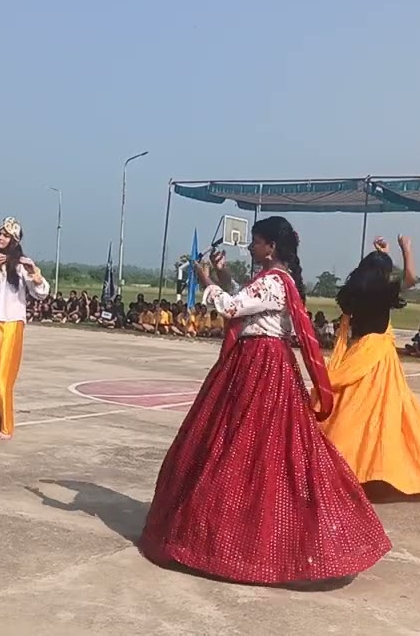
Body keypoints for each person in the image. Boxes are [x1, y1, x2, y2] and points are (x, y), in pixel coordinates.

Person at [140, 216, 390, 585]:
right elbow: (243, 300)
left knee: (244, 446)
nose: (251, 247)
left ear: (270, 246)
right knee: (249, 444)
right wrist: (223, 278)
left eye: (255, 242)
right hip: (258, 363)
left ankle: (234, 538)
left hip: (261, 366)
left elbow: (230, 308)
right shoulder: (276, 280)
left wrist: (206, 279)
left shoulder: (275, 281)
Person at [314, 235, 420, 498]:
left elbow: (372, 273)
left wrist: (381, 254)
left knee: (350, 411)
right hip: (378, 360)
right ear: (383, 273)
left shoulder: (353, 294)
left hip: (357, 353)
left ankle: (341, 464)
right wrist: (405, 249)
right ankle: (369, 468)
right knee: (381, 415)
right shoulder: (382, 292)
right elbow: (411, 278)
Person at [0, 217, 49, 440]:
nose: (0, 238)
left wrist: (35, 274)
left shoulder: (21, 264)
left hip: (10, 324)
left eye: (5, 235)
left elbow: (41, 293)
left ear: (14, 240)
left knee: (1, 377)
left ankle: (5, 424)